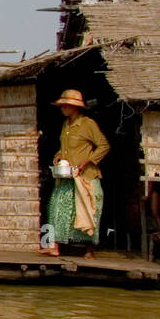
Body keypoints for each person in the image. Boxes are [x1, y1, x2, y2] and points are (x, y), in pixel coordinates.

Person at [42, 88, 109, 259]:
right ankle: (54, 246)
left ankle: (89, 250)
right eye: (62, 106)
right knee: (57, 208)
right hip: (67, 177)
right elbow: (64, 149)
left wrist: (86, 162)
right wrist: (58, 157)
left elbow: (104, 146)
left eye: (66, 105)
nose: (63, 108)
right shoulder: (66, 125)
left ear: (75, 107)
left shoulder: (88, 124)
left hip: (86, 176)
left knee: (86, 210)